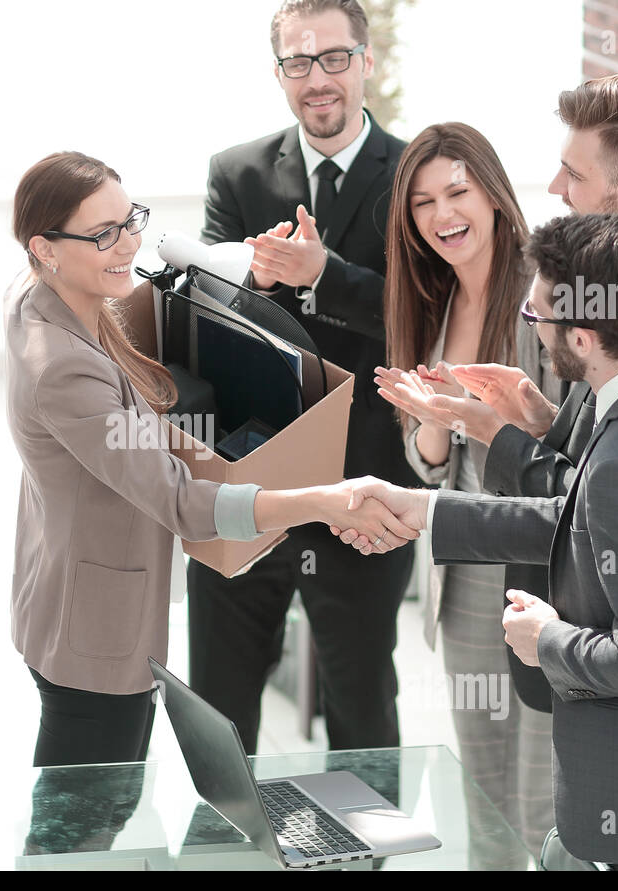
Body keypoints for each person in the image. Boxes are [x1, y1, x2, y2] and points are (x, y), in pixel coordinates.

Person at [336, 213, 618, 869]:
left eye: (536, 316)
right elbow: (587, 516)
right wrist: (428, 509)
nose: (533, 329)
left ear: (581, 333)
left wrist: (544, 638)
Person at [7, 150, 417, 768]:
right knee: (84, 827)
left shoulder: (43, 298)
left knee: (95, 814)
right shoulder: (64, 366)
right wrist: (321, 500)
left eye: (130, 221)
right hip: (92, 629)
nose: (127, 246)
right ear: (45, 247)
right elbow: (182, 501)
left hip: (67, 590)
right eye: (102, 235)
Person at [374, 71, 618, 712]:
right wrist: (543, 417)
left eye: (573, 176)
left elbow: (615, 513)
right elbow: (616, 466)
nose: (556, 190)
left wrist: (494, 437)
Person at [187, 0, 420, 756]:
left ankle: (368, 852)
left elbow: (422, 318)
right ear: (280, 71)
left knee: (361, 704)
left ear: (366, 62)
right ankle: (224, 848)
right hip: (254, 479)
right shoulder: (238, 170)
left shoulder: (418, 176)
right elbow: (207, 328)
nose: (317, 79)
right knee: (219, 701)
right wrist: (249, 283)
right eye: (298, 62)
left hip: (366, 483)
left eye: (333, 58)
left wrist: (325, 275)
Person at [374, 122, 558, 862]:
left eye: (457, 192)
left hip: (540, 567)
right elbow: (430, 466)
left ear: (492, 193)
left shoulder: (544, 294)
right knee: (482, 787)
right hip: (464, 568)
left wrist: (484, 422)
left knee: (539, 792)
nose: (443, 215)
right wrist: (430, 424)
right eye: (423, 203)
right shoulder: (436, 302)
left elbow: (565, 450)